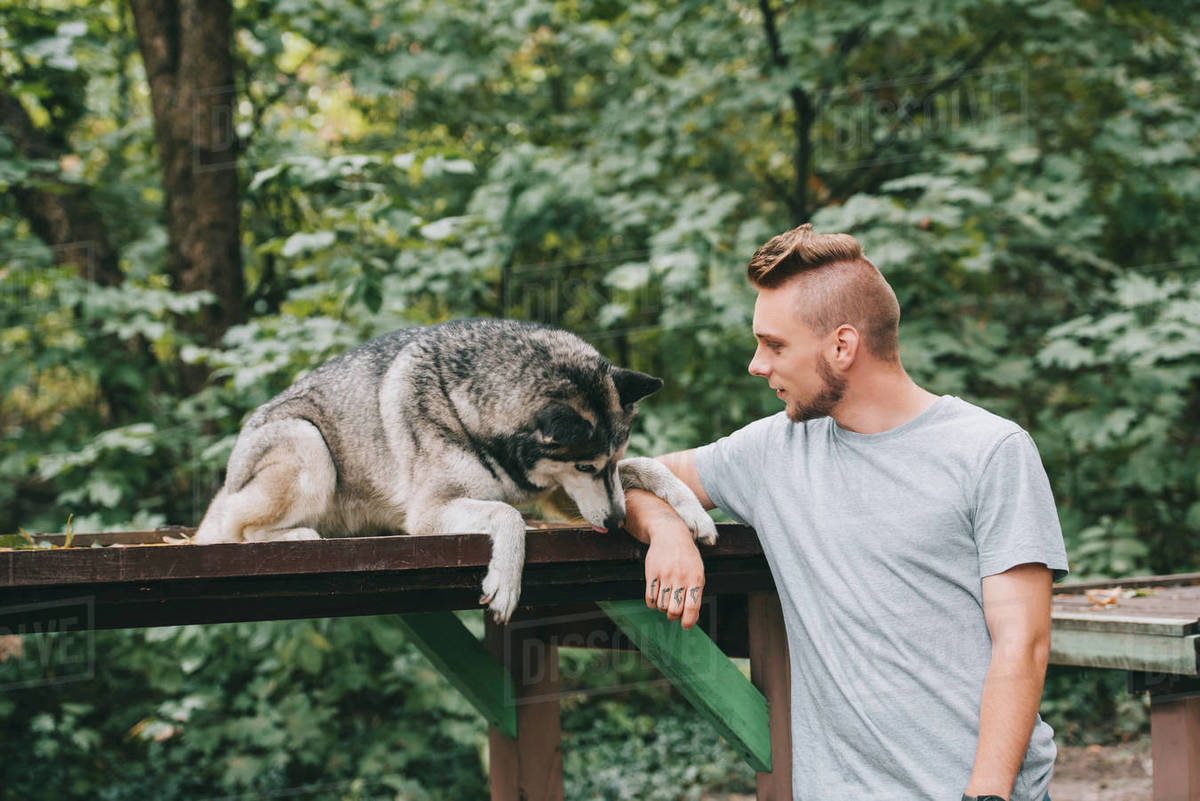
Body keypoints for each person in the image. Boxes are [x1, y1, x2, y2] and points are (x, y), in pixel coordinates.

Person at [622, 223, 1069, 801]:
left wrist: (986, 795)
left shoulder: (990, 450)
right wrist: (667, 528)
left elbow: (1022, 643)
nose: (756, 365)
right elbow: (624, 477)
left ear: (842, 346)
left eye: (774, 345)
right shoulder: (769, 452)